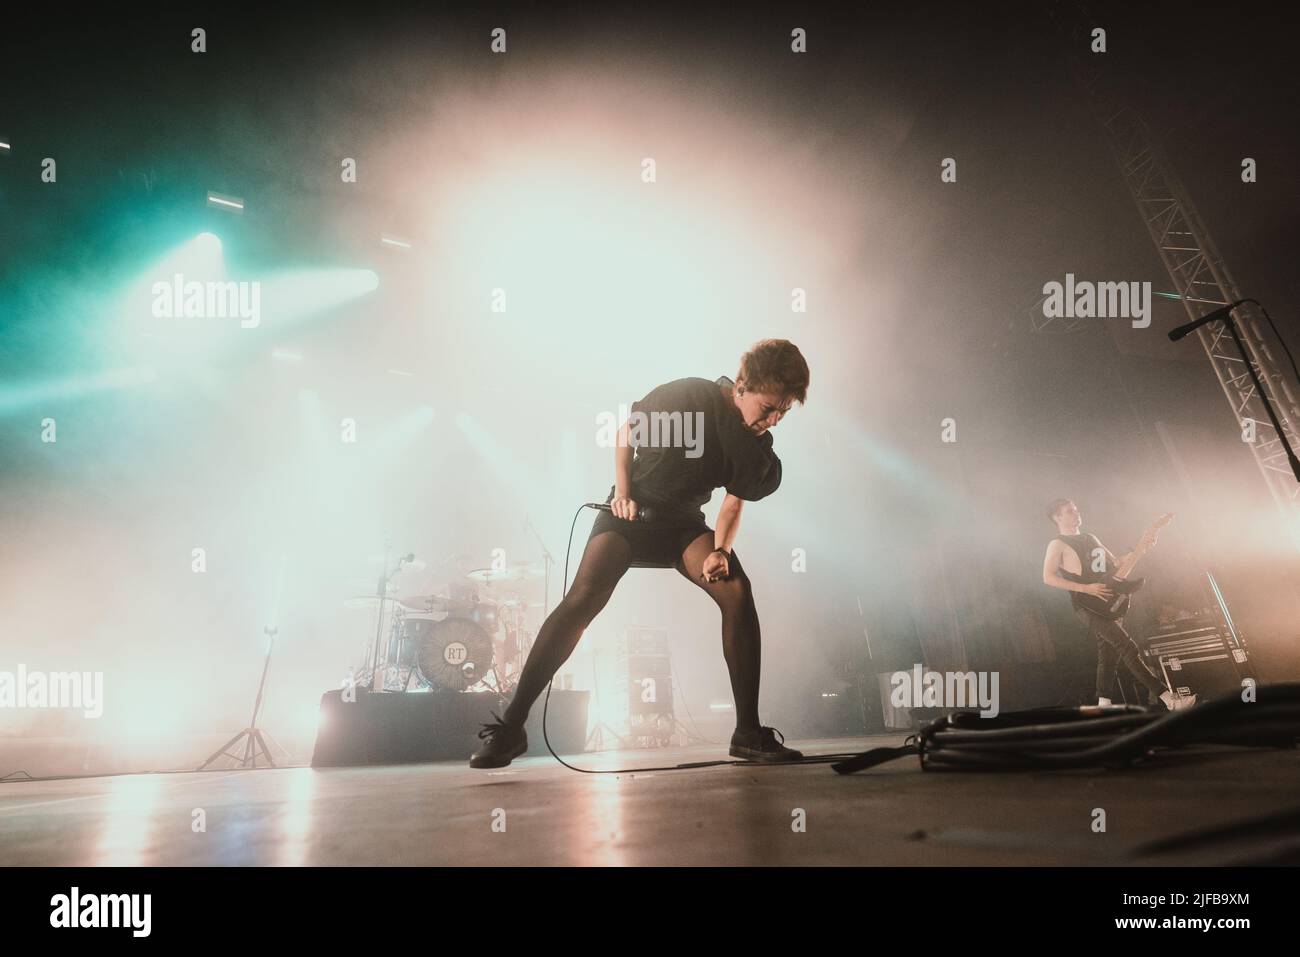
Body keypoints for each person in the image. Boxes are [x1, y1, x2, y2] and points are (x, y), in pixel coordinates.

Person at [470, 338, 811, 767]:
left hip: (682, 526)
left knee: (737, 591)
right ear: (742, 386)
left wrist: (721, 550)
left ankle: (747, 733)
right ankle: (512, 725)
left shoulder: (751, 442)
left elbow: (733, 502)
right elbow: (625, 434)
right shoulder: (687, 397)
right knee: (583, 598)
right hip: (630, 516)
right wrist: (624, 494)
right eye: (769, 408)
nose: (774, 421)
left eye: (783, 412)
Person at [1041, 498, 1195, 711]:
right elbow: (1048, 577)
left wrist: (1142, 546)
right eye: (1070, 511)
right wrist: (1087, 588)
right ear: (1057, 517)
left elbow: (1115, 563)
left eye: (1076, 509)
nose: (1076, 513)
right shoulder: (1057, 544)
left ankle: (1103, 704)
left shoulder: (1091, 537)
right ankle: (1169, 699)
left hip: (1107, 601)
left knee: (1108, 654)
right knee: (1126, 646)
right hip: (1087, 606)